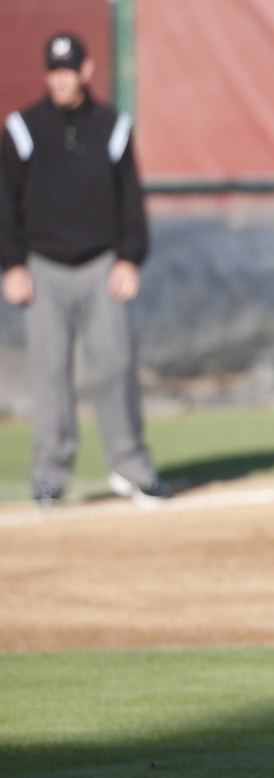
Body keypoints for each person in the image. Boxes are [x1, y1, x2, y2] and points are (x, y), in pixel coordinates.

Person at [0, 33, 170, 510]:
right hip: (44, 267)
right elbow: (4, 203)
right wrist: (12, 263)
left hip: (101, 266)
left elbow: (131, 200)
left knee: (115, 367)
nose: (61, 78)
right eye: (53, 70)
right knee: (49, 374)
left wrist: (130, 258)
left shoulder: (112, 127)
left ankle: (133, 468)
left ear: (87, 71)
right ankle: (50, 477)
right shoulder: (23, 129)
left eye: (69, 69)